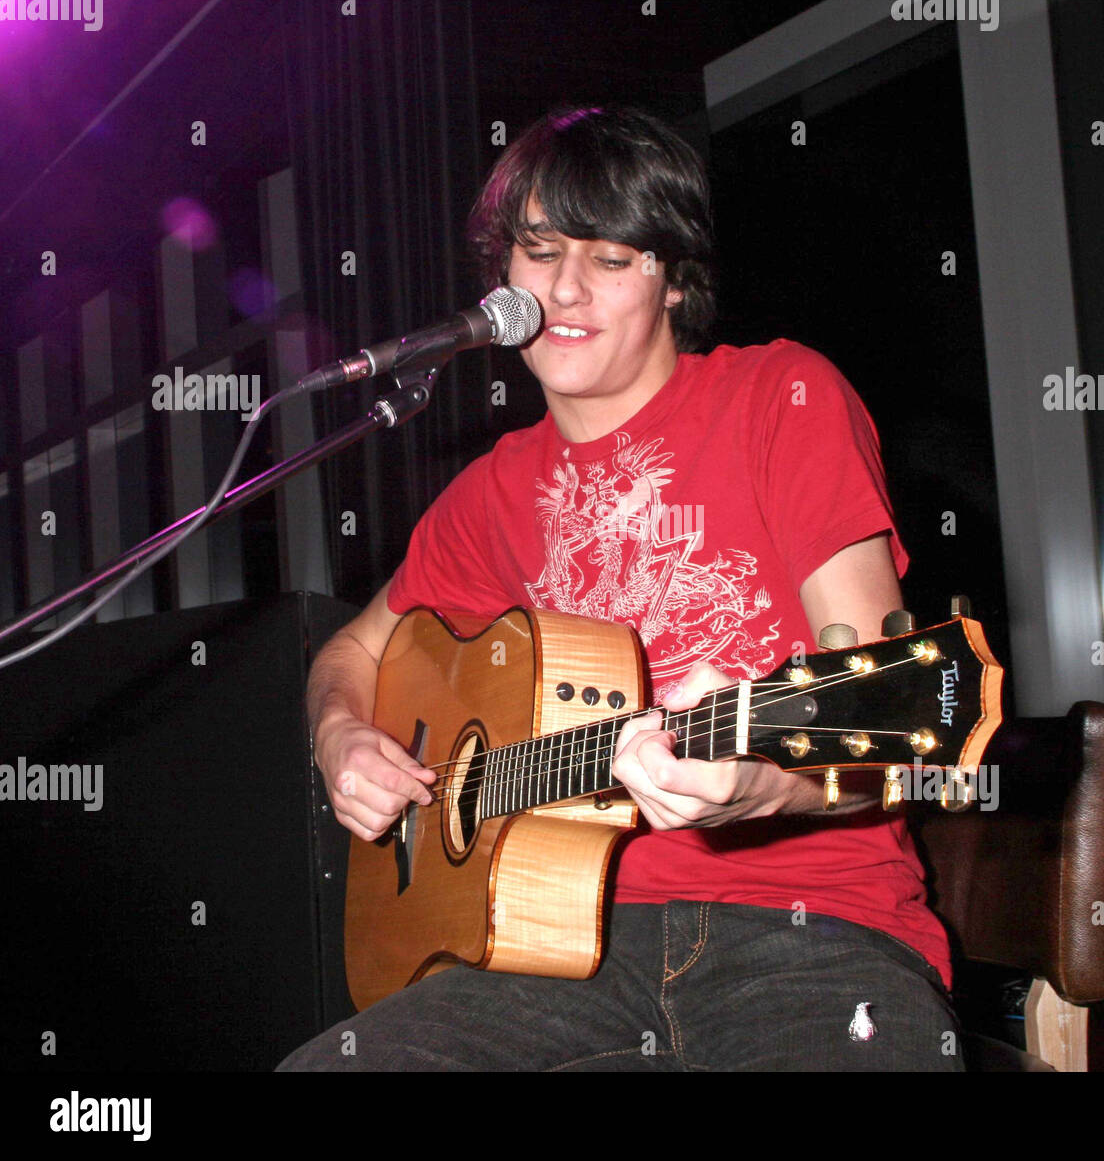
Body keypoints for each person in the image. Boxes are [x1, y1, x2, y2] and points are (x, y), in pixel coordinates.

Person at [279, 106, 962, 1071]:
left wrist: (762, 785)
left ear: (675, 280)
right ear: (501, 279)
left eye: (611, 257)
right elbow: (349, 652)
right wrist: (341, 734)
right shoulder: (487, 493)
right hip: (553, 953)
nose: (564, 286)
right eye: (541, 250)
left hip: (813, 933)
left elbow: (882, 726)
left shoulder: (782, 398)